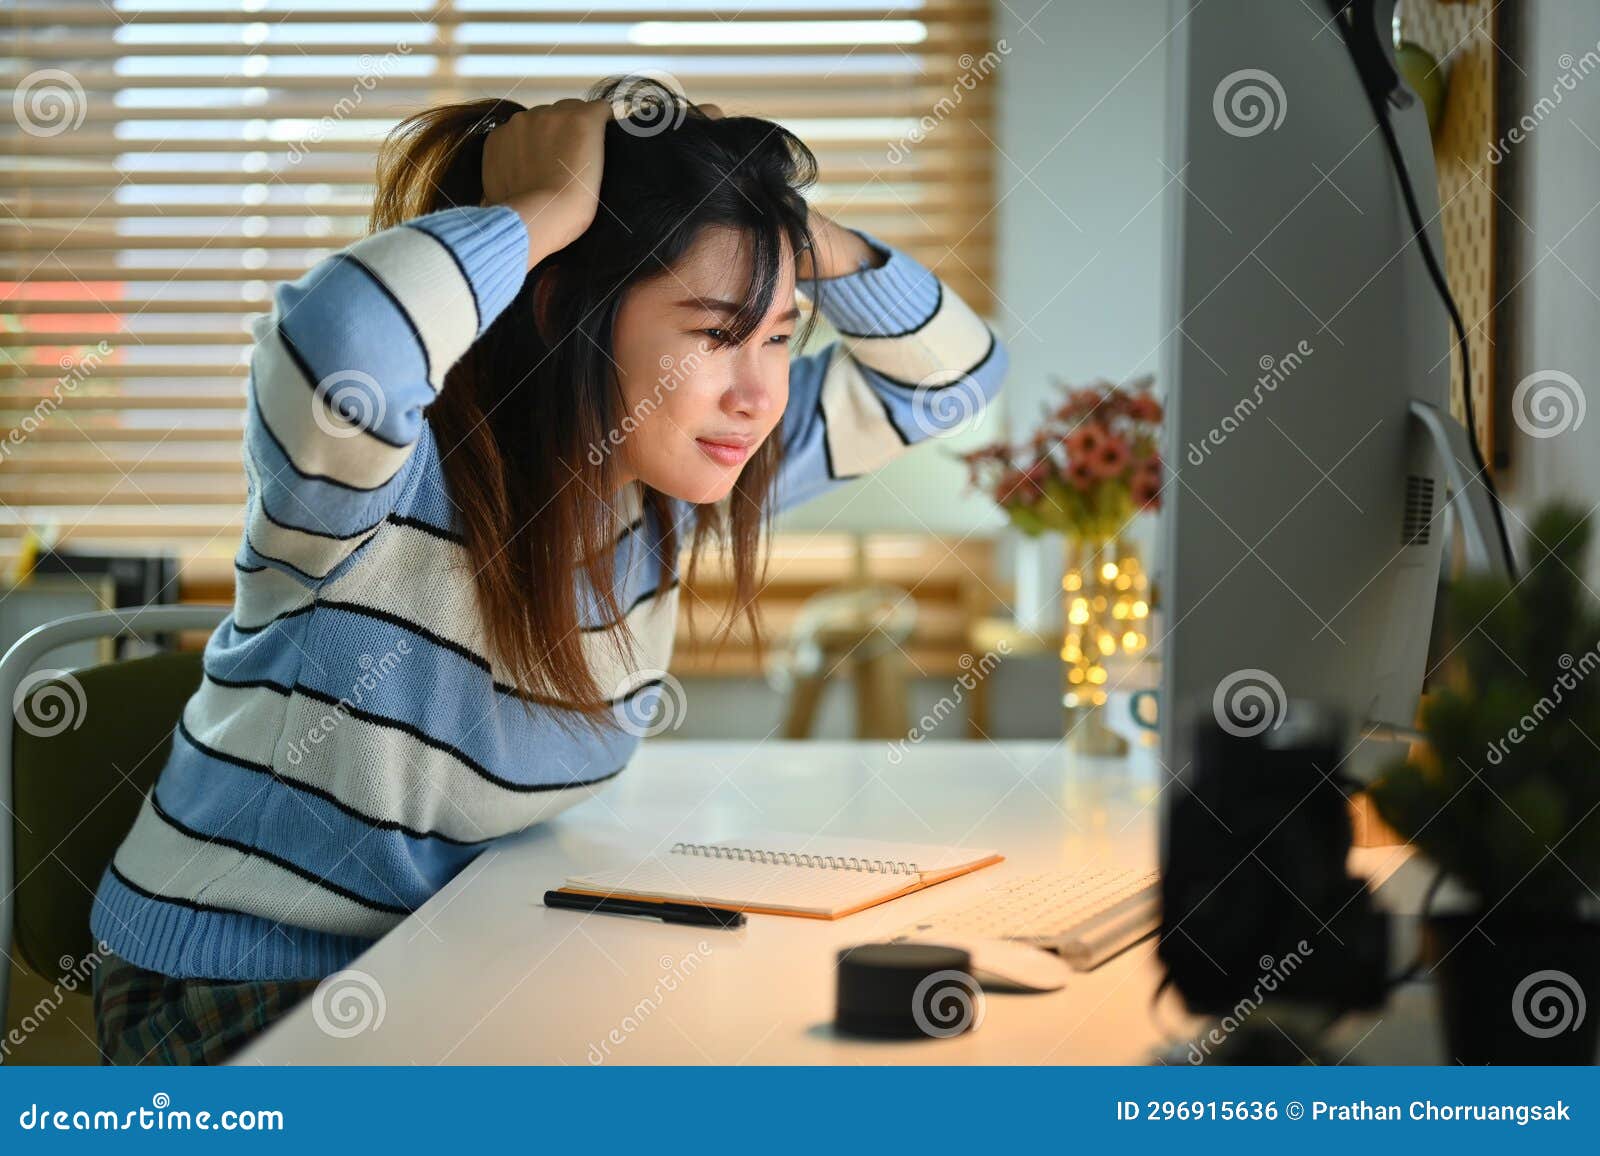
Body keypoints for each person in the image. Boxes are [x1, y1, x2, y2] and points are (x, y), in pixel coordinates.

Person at [88, 75, 1009, 1064]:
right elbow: (340, 339)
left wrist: (771, 223)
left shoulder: (669, 484)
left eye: (780, 337)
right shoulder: (383, 482)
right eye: (714, 332)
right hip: (249, 983)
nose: (757, 393)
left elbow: (954, 382)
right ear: (562, 306)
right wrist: (547, 213)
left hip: (455, 959)